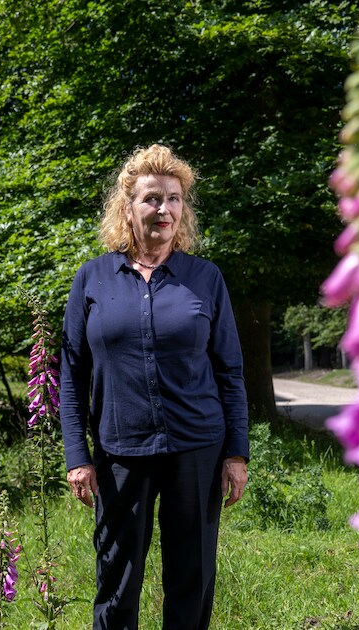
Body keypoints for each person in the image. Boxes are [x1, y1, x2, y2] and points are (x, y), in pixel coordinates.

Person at [59, 144, 249, 630]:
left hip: (197, 448)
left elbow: (229, 371)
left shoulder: (205, 278)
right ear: (128, 207)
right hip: (121, 450)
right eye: (151, 199)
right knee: (117, 579)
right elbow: (73, 373)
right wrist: (77, 458)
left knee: (192, 575)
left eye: (173, 199)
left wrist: (236, 452)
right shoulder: (93, 279)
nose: (163, 209)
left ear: (183, 209)